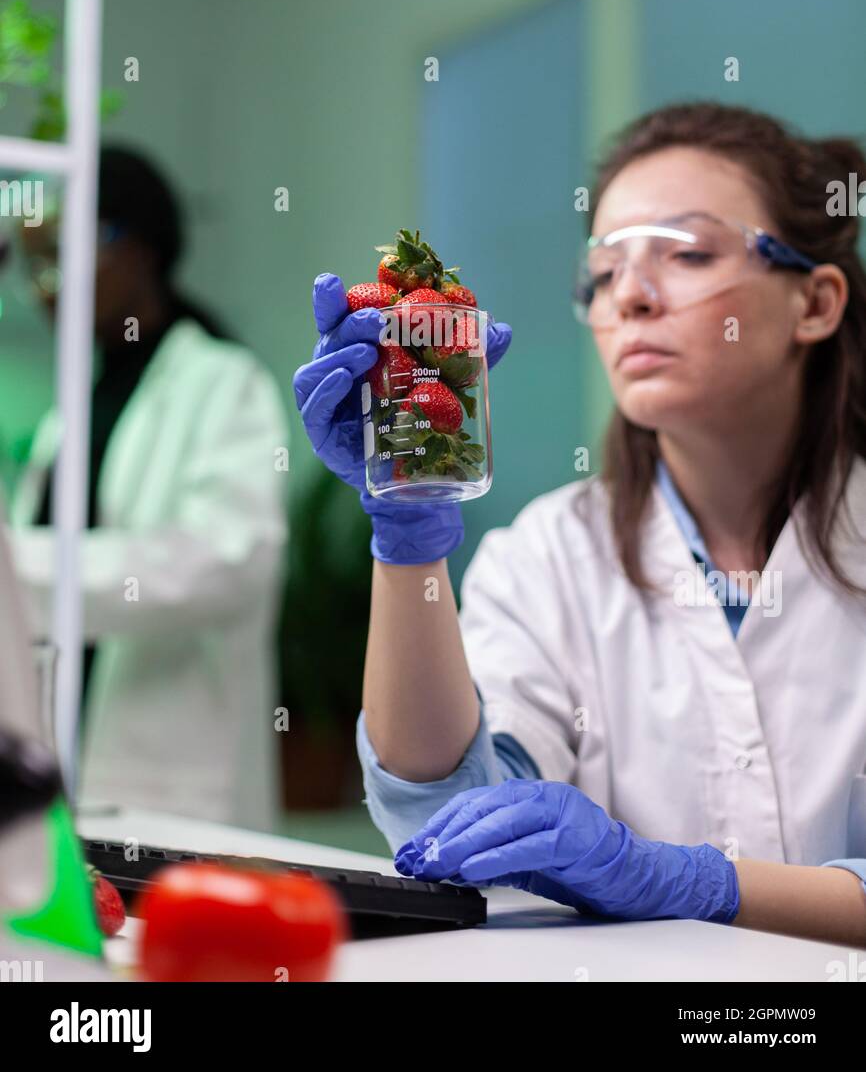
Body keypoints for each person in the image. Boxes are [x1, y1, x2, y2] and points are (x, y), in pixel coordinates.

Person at [293, 102, 866, 947]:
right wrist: (407, 533)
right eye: (604, 271)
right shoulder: (548, 554)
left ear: (815, 303)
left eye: (688, 253)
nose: (630, 295)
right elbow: (454, 813)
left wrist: (693, 882)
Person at [9, 143, 288, 828]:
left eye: (66, 251)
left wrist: (18, 563)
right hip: (56, 776)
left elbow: (226, 561)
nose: (49, 284)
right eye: (34, 264)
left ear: (140, 247)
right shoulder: (71, 409)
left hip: (171, 787)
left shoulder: (223, 384)